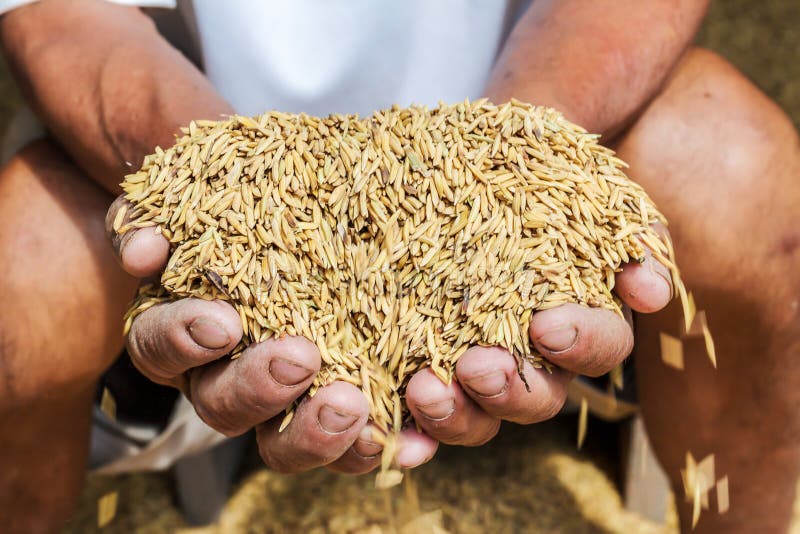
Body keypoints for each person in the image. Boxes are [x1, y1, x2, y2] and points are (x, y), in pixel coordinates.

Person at [0, 0, 797, 532]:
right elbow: (66, 18)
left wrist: (510, 166)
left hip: (542, 111)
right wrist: (230, 194)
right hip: (198, 128)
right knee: (16, 278)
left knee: (746, 176)